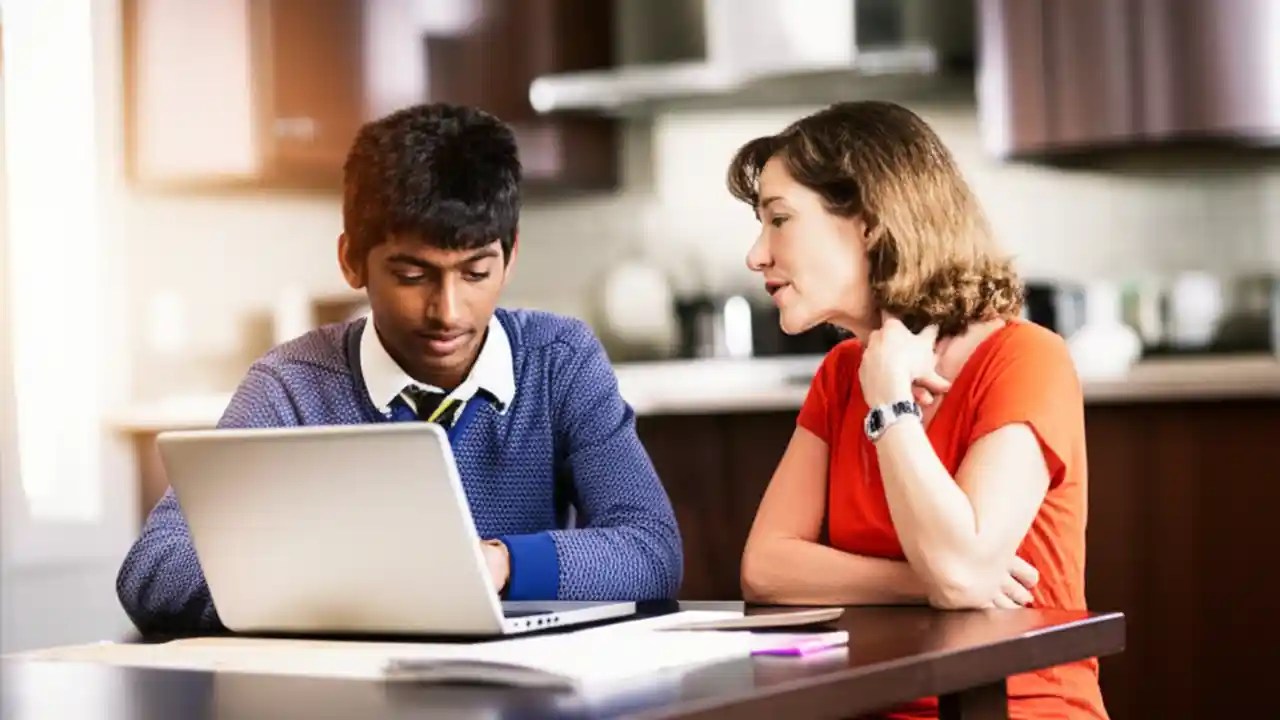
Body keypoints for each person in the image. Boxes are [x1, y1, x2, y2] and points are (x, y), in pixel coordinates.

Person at [117, 103, 683, 634]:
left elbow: (652, 550)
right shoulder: (291, 386)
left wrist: (497, 564)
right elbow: (153, 569)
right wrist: (345, 588)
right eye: (412, 276)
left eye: (476, 273)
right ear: (351, 261)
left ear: (510, 257)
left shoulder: (559, 360)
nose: (448, 311)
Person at [731, 101, 1107, 719]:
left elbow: (960, 573)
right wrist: (919, 581)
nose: (757, 254)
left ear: (871, 223)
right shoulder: (838, 376)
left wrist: (892, 404)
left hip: (1018, 709)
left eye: (779, 220)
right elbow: (767, 566)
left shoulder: (1027, 360)